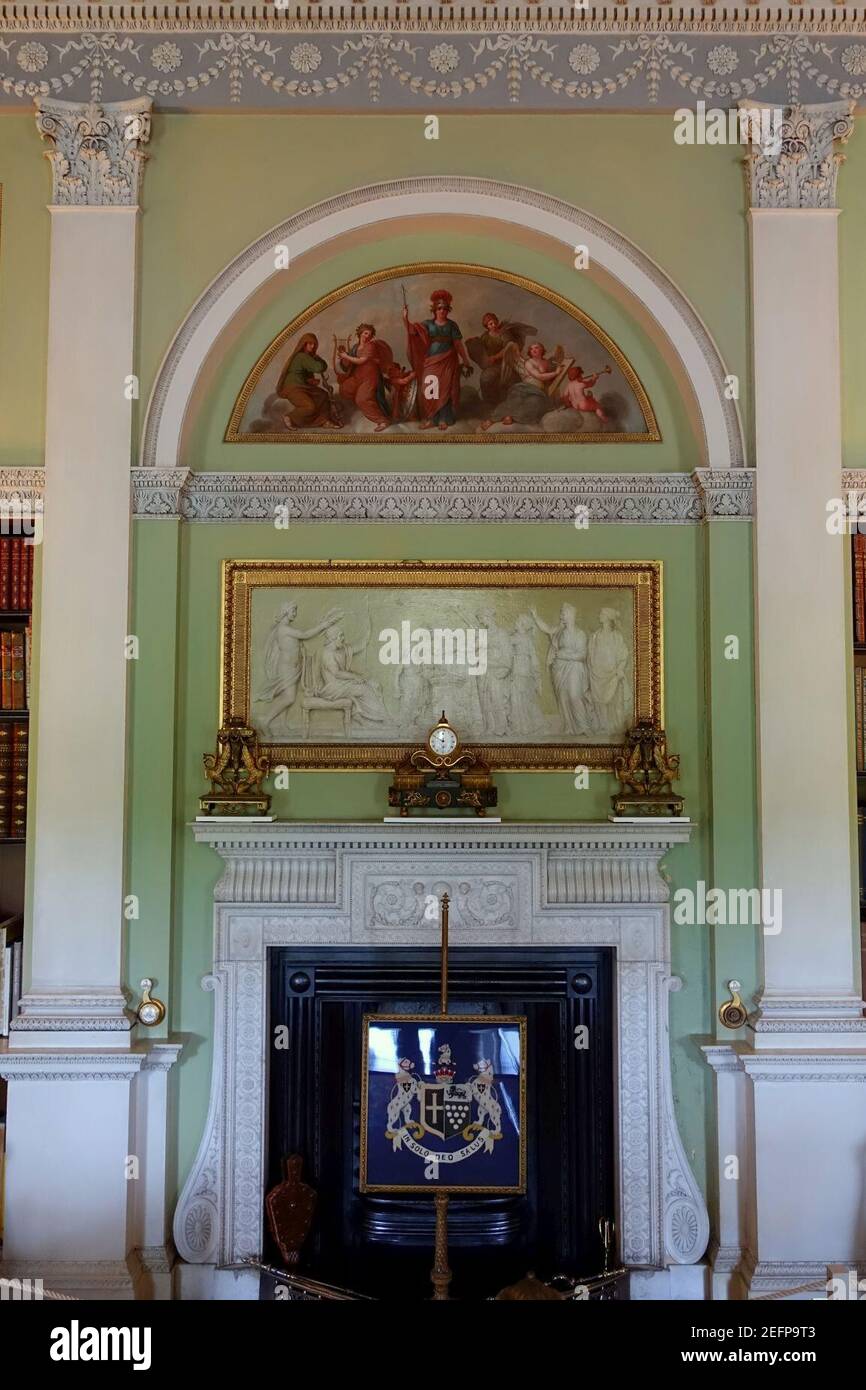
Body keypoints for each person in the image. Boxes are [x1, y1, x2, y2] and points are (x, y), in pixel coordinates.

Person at [256, 601, 344, 735]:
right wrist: (323, 626)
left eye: (295, 611)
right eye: (293, 611)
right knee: (289, 697)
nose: (295, 614)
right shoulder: (284, 628)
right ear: (285, 611)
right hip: (286, 668)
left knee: (286, 696)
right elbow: (305, 635)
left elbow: (296, 644)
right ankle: (266, 720)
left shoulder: (286, 628)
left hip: (293, 668)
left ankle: (282, 725)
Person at [402, 288, 474, 430]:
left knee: (445, 390)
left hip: (448, 360)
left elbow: (458, 344)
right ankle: (431, 418)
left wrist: (466, 361)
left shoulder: (452, 325)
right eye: (439, 308)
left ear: (448, 310)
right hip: (431, 361)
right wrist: (405, 318)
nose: (442, 311)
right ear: (434, 310)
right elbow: (412, 331)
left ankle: (443, 419)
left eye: (445, 309)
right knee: (429, 388)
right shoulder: (428, 324)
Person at [530, 602, 594, 736]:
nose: (561, 615)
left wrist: (565, 655)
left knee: (574, 695)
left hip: (575, 668)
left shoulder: (580, 634)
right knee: (563, 697)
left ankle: (584, 726)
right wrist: (535, 617)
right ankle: (569, 726)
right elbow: (547, 629)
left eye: (563, 613)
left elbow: (582, 655)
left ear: (570, 615)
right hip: (559, 669)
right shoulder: (559, 631)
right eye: (561, 613)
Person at [334, 323, 406, 431]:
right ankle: (362, 408)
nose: (367, 336)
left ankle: (382, 420)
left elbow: (361, 360)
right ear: (360, 333)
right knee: (344, 389)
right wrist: (343, 358)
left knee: (362, 399)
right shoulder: (355, 347)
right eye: (365, 333)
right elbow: (349, 364)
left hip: (370, 377)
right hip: (357, 376)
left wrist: (346, 356)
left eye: (370, 334)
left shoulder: (370, 346)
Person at [315, 623, 388, 726]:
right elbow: (336, 673)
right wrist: (354, 676)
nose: (343, 639)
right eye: (341, 636)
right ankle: (379, 719)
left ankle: (382, 716)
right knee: (364, 689)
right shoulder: (327, 654)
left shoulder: (341, 650)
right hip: (332, 688)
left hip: (342, 684)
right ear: (333, 638)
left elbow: (360, 645)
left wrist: (369, 631)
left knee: (374, 684)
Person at [480, 342, 562, 431]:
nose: (533, 350)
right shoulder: (528, 362)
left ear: (542, 349)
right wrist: (556, 373)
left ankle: (512, 417)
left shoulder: (547, 362)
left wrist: (557, 366)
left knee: (535, 403)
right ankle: (491, 420)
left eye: (536, 347)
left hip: (537, 392)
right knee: (514, 401)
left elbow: (553, 367)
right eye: (531, 348)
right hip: (524, 388)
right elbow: (539, 376)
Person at [466, 311, 536, 406]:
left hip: (506, 362)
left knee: (510, 379)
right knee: (485, 378)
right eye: (490, 324)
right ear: (487, 326)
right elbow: (482, 351)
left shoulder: (504, 333)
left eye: (494, 322)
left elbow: (508, 348)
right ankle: (490, 405)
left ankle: (511, 405)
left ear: (497, 322)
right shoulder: (485, 337)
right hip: (493, 365)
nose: (493, 325)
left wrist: (495, 357)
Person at [276, 333, 343, 430]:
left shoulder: (305, 356)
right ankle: (290, 417)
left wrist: (310, 380)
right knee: (309, 407)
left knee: (323, 395)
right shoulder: (302, 356)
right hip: (293, 388)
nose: (312, 346)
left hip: (302, 386)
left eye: (314, 344)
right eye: (310, 344)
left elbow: (302, 373)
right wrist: (319, 359)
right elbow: (319, 368)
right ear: (304, 344)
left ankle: (324, 421)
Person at [588, 607, 630, 735]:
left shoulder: (616, 636)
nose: (599, 615)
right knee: (598, 701)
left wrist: (620, 669)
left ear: (607, 618)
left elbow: (623, 655)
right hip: (597, 674)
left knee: (613, 700)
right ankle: (602, 725)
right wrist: (592, 668)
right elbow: (590, 654)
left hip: (612, 674)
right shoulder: (595, 636)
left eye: (601, 613)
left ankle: (614, 726)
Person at [508, 614, 542, 736]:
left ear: (522, 625)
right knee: (522, 698)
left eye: (517, 622)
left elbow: (506, 641)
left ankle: (522, 726)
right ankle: (524, 725)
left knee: (517, 698)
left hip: (520, 669)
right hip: (524, 669)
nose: (515, 623)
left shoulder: (519, 637)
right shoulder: (527, 638)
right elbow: (534, 658)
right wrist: (536, 674)